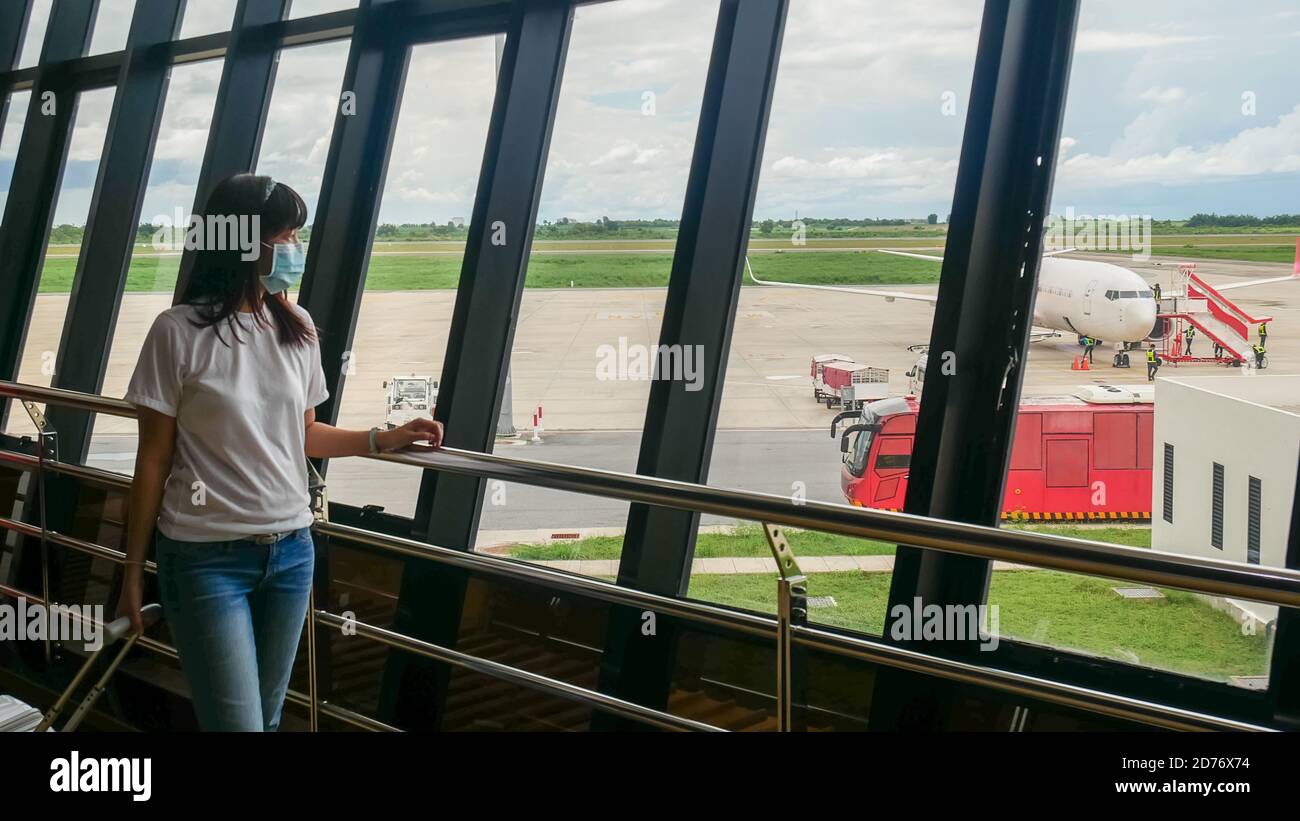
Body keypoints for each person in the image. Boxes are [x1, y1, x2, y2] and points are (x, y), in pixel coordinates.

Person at [115, 173, 444, 732]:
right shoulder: (176, 333)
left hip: (292, 553)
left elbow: (305, 433)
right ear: (242, 241)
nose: (294, 248)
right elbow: (152, 461)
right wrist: (131, 573)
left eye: (296, 234)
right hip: (204, 558)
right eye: (285, 234)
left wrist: (378, 438)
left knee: (265, 722)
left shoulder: (297, 327)